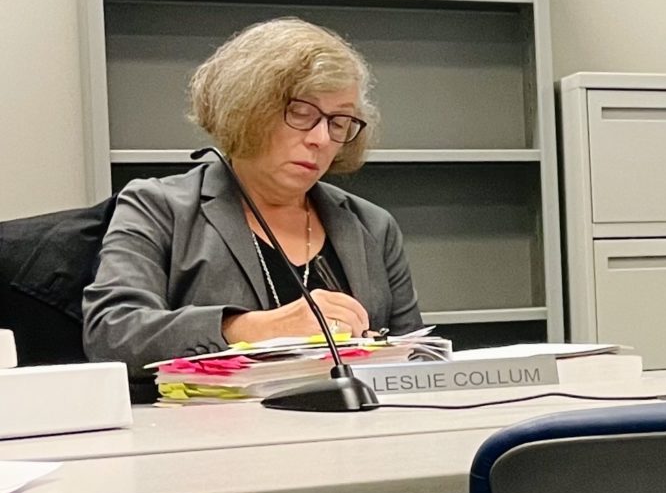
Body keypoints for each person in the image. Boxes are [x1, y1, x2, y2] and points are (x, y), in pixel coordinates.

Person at [84, 18, 421, 370]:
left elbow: (417, 359)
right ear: (246, 111)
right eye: (301, 113)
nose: (321, 139)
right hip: (212, 423)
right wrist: (252, 328)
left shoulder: (372, 225)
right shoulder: (158, 208)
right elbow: (112, 334)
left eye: (338, 123)